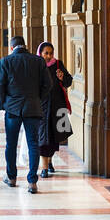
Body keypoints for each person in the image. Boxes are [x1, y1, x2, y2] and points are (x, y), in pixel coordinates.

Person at [0, 35, 51, 193]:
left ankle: (11, 177)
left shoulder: (6, 61)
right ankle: (32, 182)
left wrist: (3, 103)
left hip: (13, 109)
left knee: (11, 144)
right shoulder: (38, 61)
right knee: (33, 143)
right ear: (24, 46)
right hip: (33, 107)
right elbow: (48, 84)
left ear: (12, 48)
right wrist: (38, 98)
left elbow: (0, 86)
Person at [36, 41, 73, 177]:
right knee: (43, 137)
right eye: (46, 53)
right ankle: (44, 168)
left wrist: (62, 78)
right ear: (40, 53)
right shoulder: (37, 65)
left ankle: (50, 161)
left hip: (57, 106)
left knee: (55, 137)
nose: (49, 56)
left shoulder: (58, 64)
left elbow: (68, 81)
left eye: (51, 53)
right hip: (42, 107)